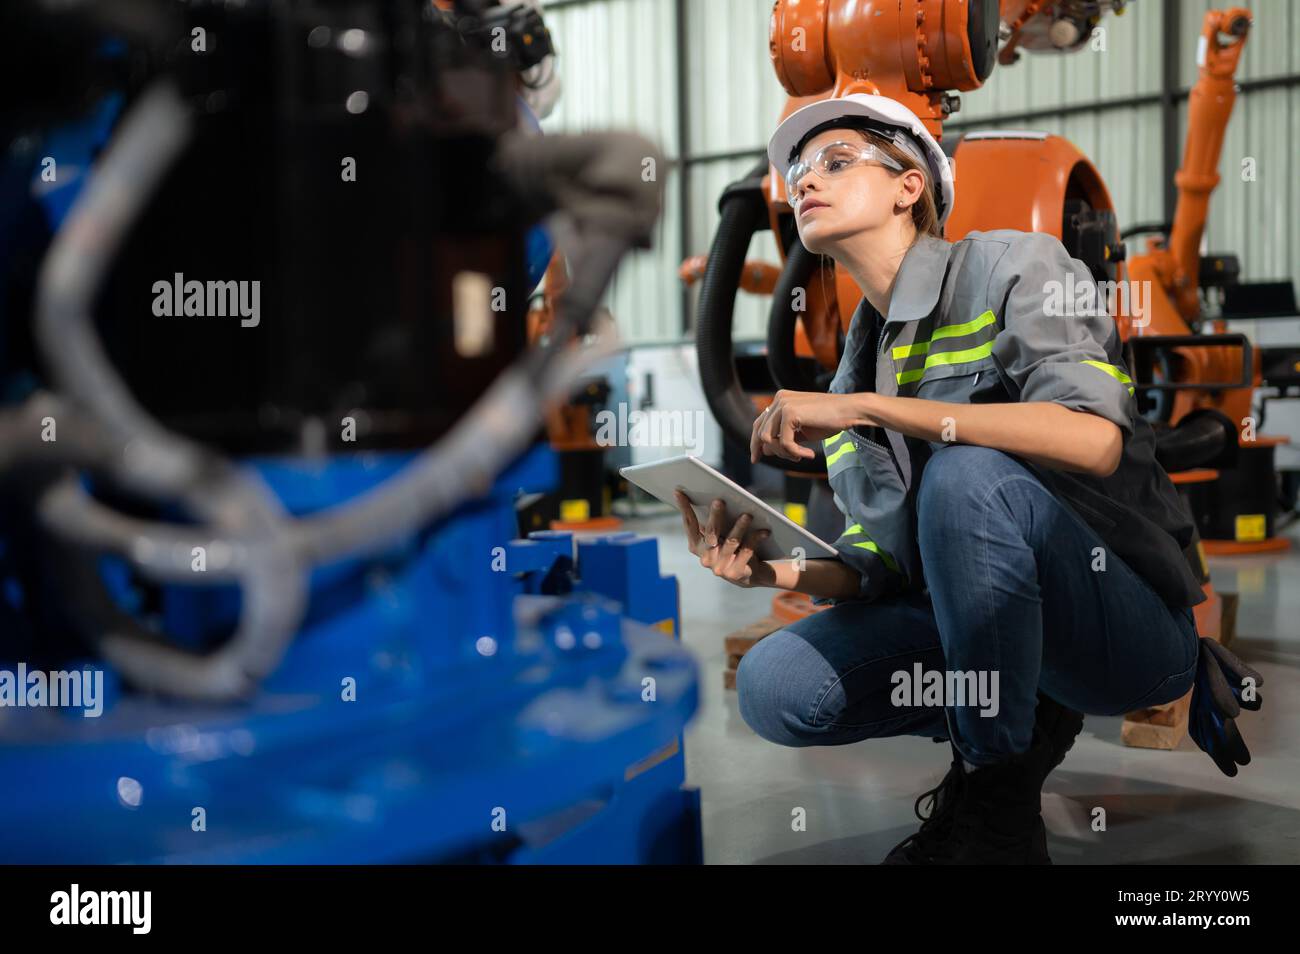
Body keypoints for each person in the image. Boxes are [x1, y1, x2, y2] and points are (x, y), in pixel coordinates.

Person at [672, 93, 1213, 864]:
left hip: (1120, 625)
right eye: (796, 172)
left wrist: (869, 408)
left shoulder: (1014, 265)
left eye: (835, 160)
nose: (805, 182)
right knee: (776, 684)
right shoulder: (858, 367)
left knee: (966, 477)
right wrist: (771, 567)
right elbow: (880, 569)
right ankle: (1021, 723)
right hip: (983, 626)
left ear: (909, 186)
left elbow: (1093, 441)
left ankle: (997, 805)